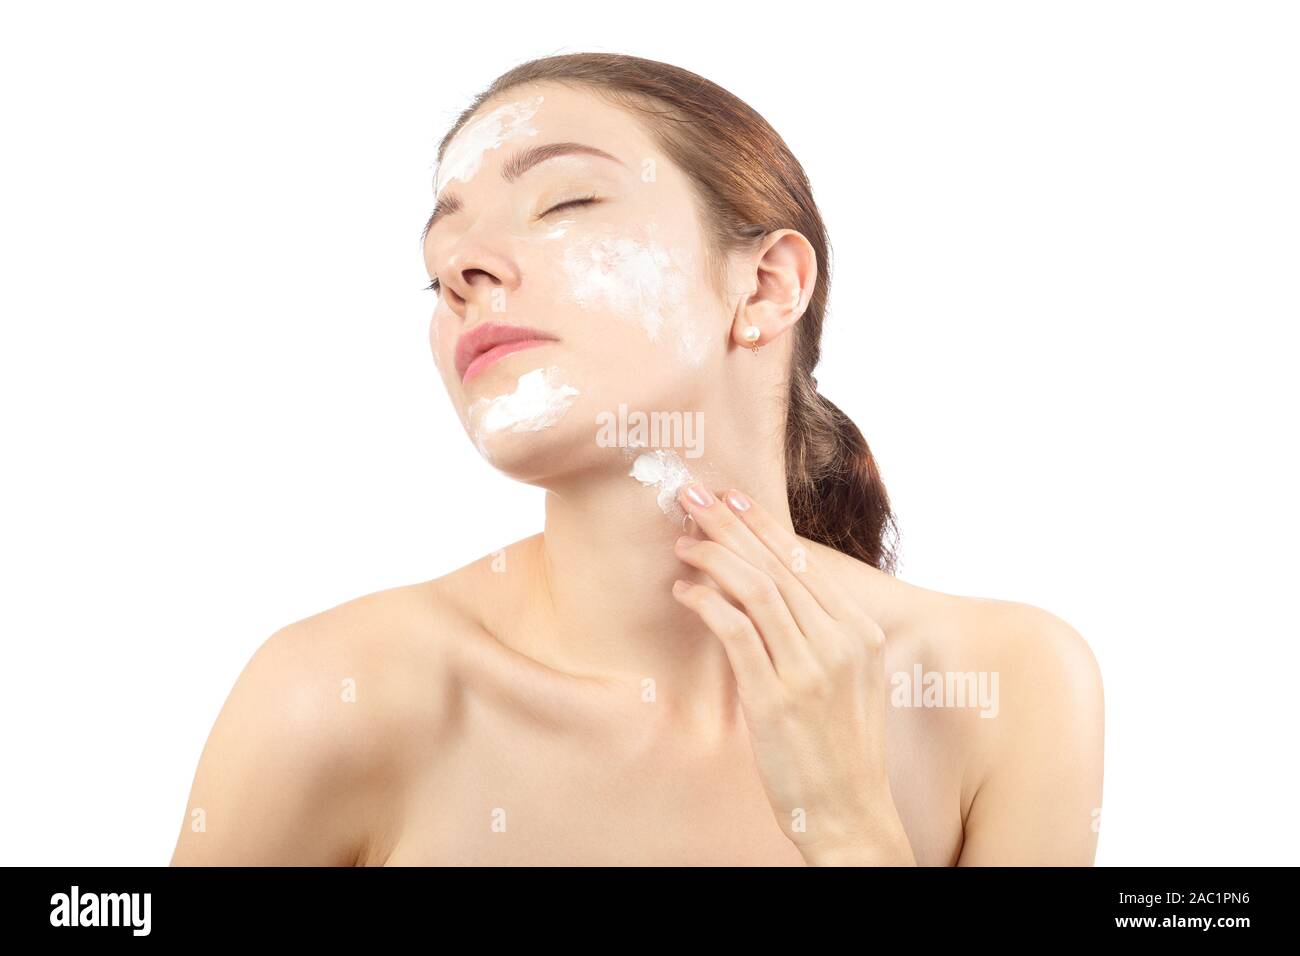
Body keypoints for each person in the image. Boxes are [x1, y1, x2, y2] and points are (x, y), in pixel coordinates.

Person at [170, 53, 1103, 866]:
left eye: (564, 202)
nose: (464, 271)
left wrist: (854, 830)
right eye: (439, 261)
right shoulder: (336, 699)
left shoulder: (1006, 691)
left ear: (766, 286)